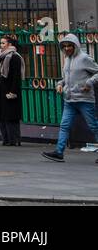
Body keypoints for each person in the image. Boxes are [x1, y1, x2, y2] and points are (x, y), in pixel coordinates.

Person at [42, 33, 98, 162]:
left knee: (94, 126)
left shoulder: (84, 58)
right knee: (64, 126)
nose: (67, 48)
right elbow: (65, 79)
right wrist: (59, 84)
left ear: (75, 46)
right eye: (65, 46)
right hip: (69, 100)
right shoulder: (67, 60)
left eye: (69, 46)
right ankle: (59, 152)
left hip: (84, 99)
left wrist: (89, 83)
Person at [0, 36, 24, 147]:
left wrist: (13, 92)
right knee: (1, 115)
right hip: (1, 89)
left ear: (10, 44)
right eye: (0, 43)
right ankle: (6, 139)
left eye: (3, 43)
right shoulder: (0, 56)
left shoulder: (15, 57)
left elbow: (16, 76)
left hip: (11, 90)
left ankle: (14, 139)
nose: (1, 45)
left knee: (11, 116)